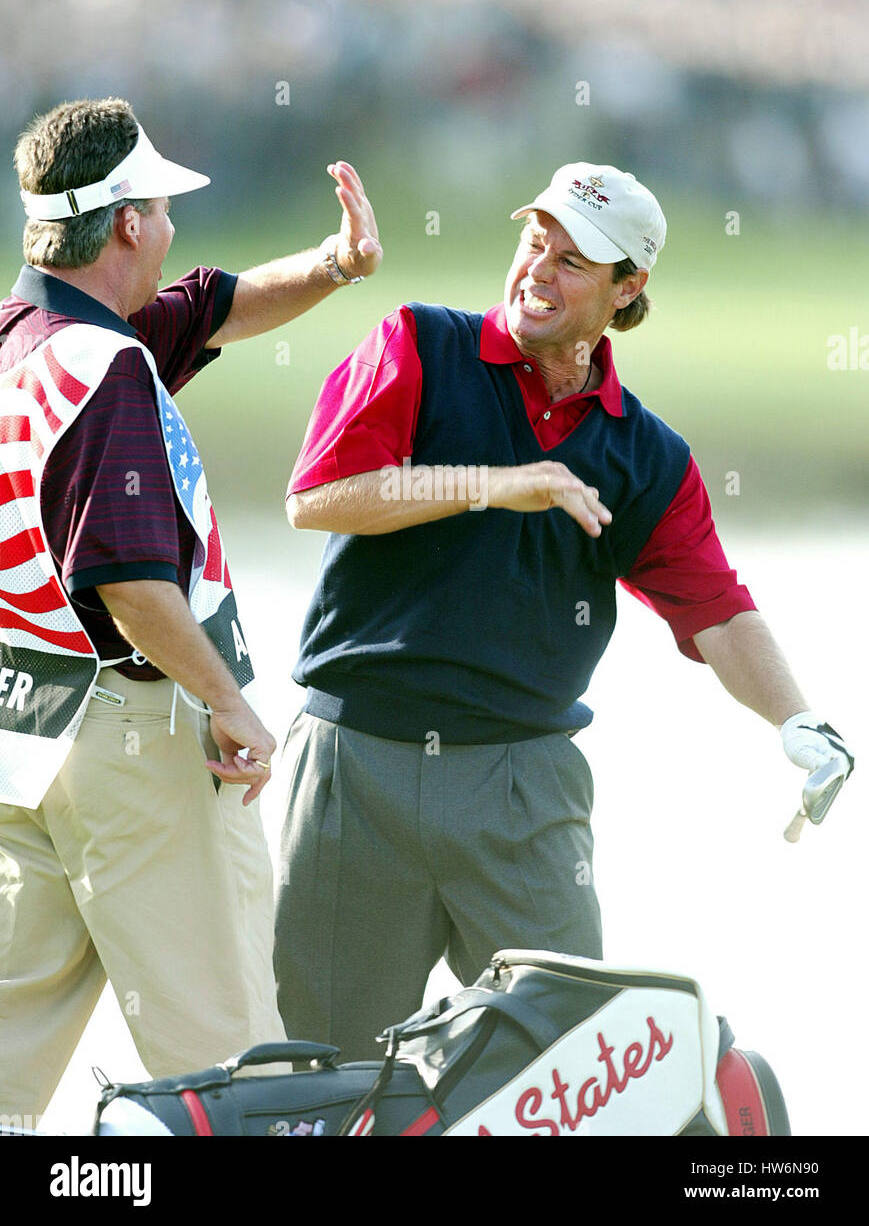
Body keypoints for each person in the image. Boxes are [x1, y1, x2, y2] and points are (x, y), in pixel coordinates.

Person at [274, 162, 855, 1061]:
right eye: (533, 243)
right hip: (357, 765)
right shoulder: (419, 344)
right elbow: (319, 496)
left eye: (573, 261)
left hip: (522, 786)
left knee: (567, 1064)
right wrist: (497, 485)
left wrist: (797, 718)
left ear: (628, 289)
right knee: (327, 1068)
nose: (538, 271)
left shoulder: (645, 453)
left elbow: (716, 610)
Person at [0, 97, 381, 1123]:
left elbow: (209, 307)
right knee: (234, 1062)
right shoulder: (108, 366)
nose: (171, 224)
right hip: (138, 742)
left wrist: (335, 263)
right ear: (127, 222)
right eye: (161, 206)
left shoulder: (28, 340)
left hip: (24, 739)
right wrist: (228, 703)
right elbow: (131, 584)